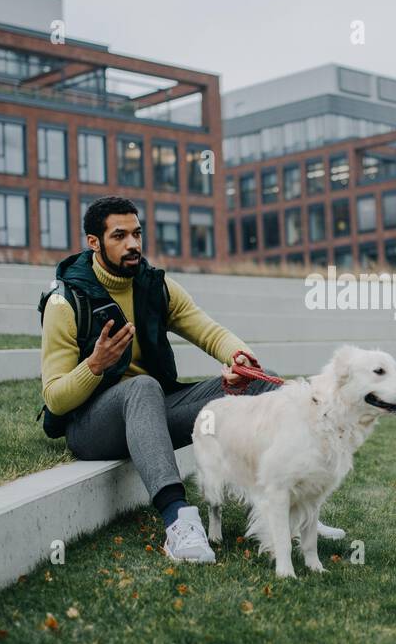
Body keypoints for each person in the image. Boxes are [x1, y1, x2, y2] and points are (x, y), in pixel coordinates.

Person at [39, 196, 344, 562]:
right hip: (93, 428)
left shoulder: (155, 286)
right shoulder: (64, 301)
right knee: (142, 386)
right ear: (94, 243)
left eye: (137, 234)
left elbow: (210, 333)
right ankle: (178, 521)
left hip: (152, 415)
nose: (133, 244)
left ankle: (286, 508)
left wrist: (240, 360)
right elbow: (55, 398)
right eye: (119, 236)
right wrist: (94, 366)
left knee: (263, 382)